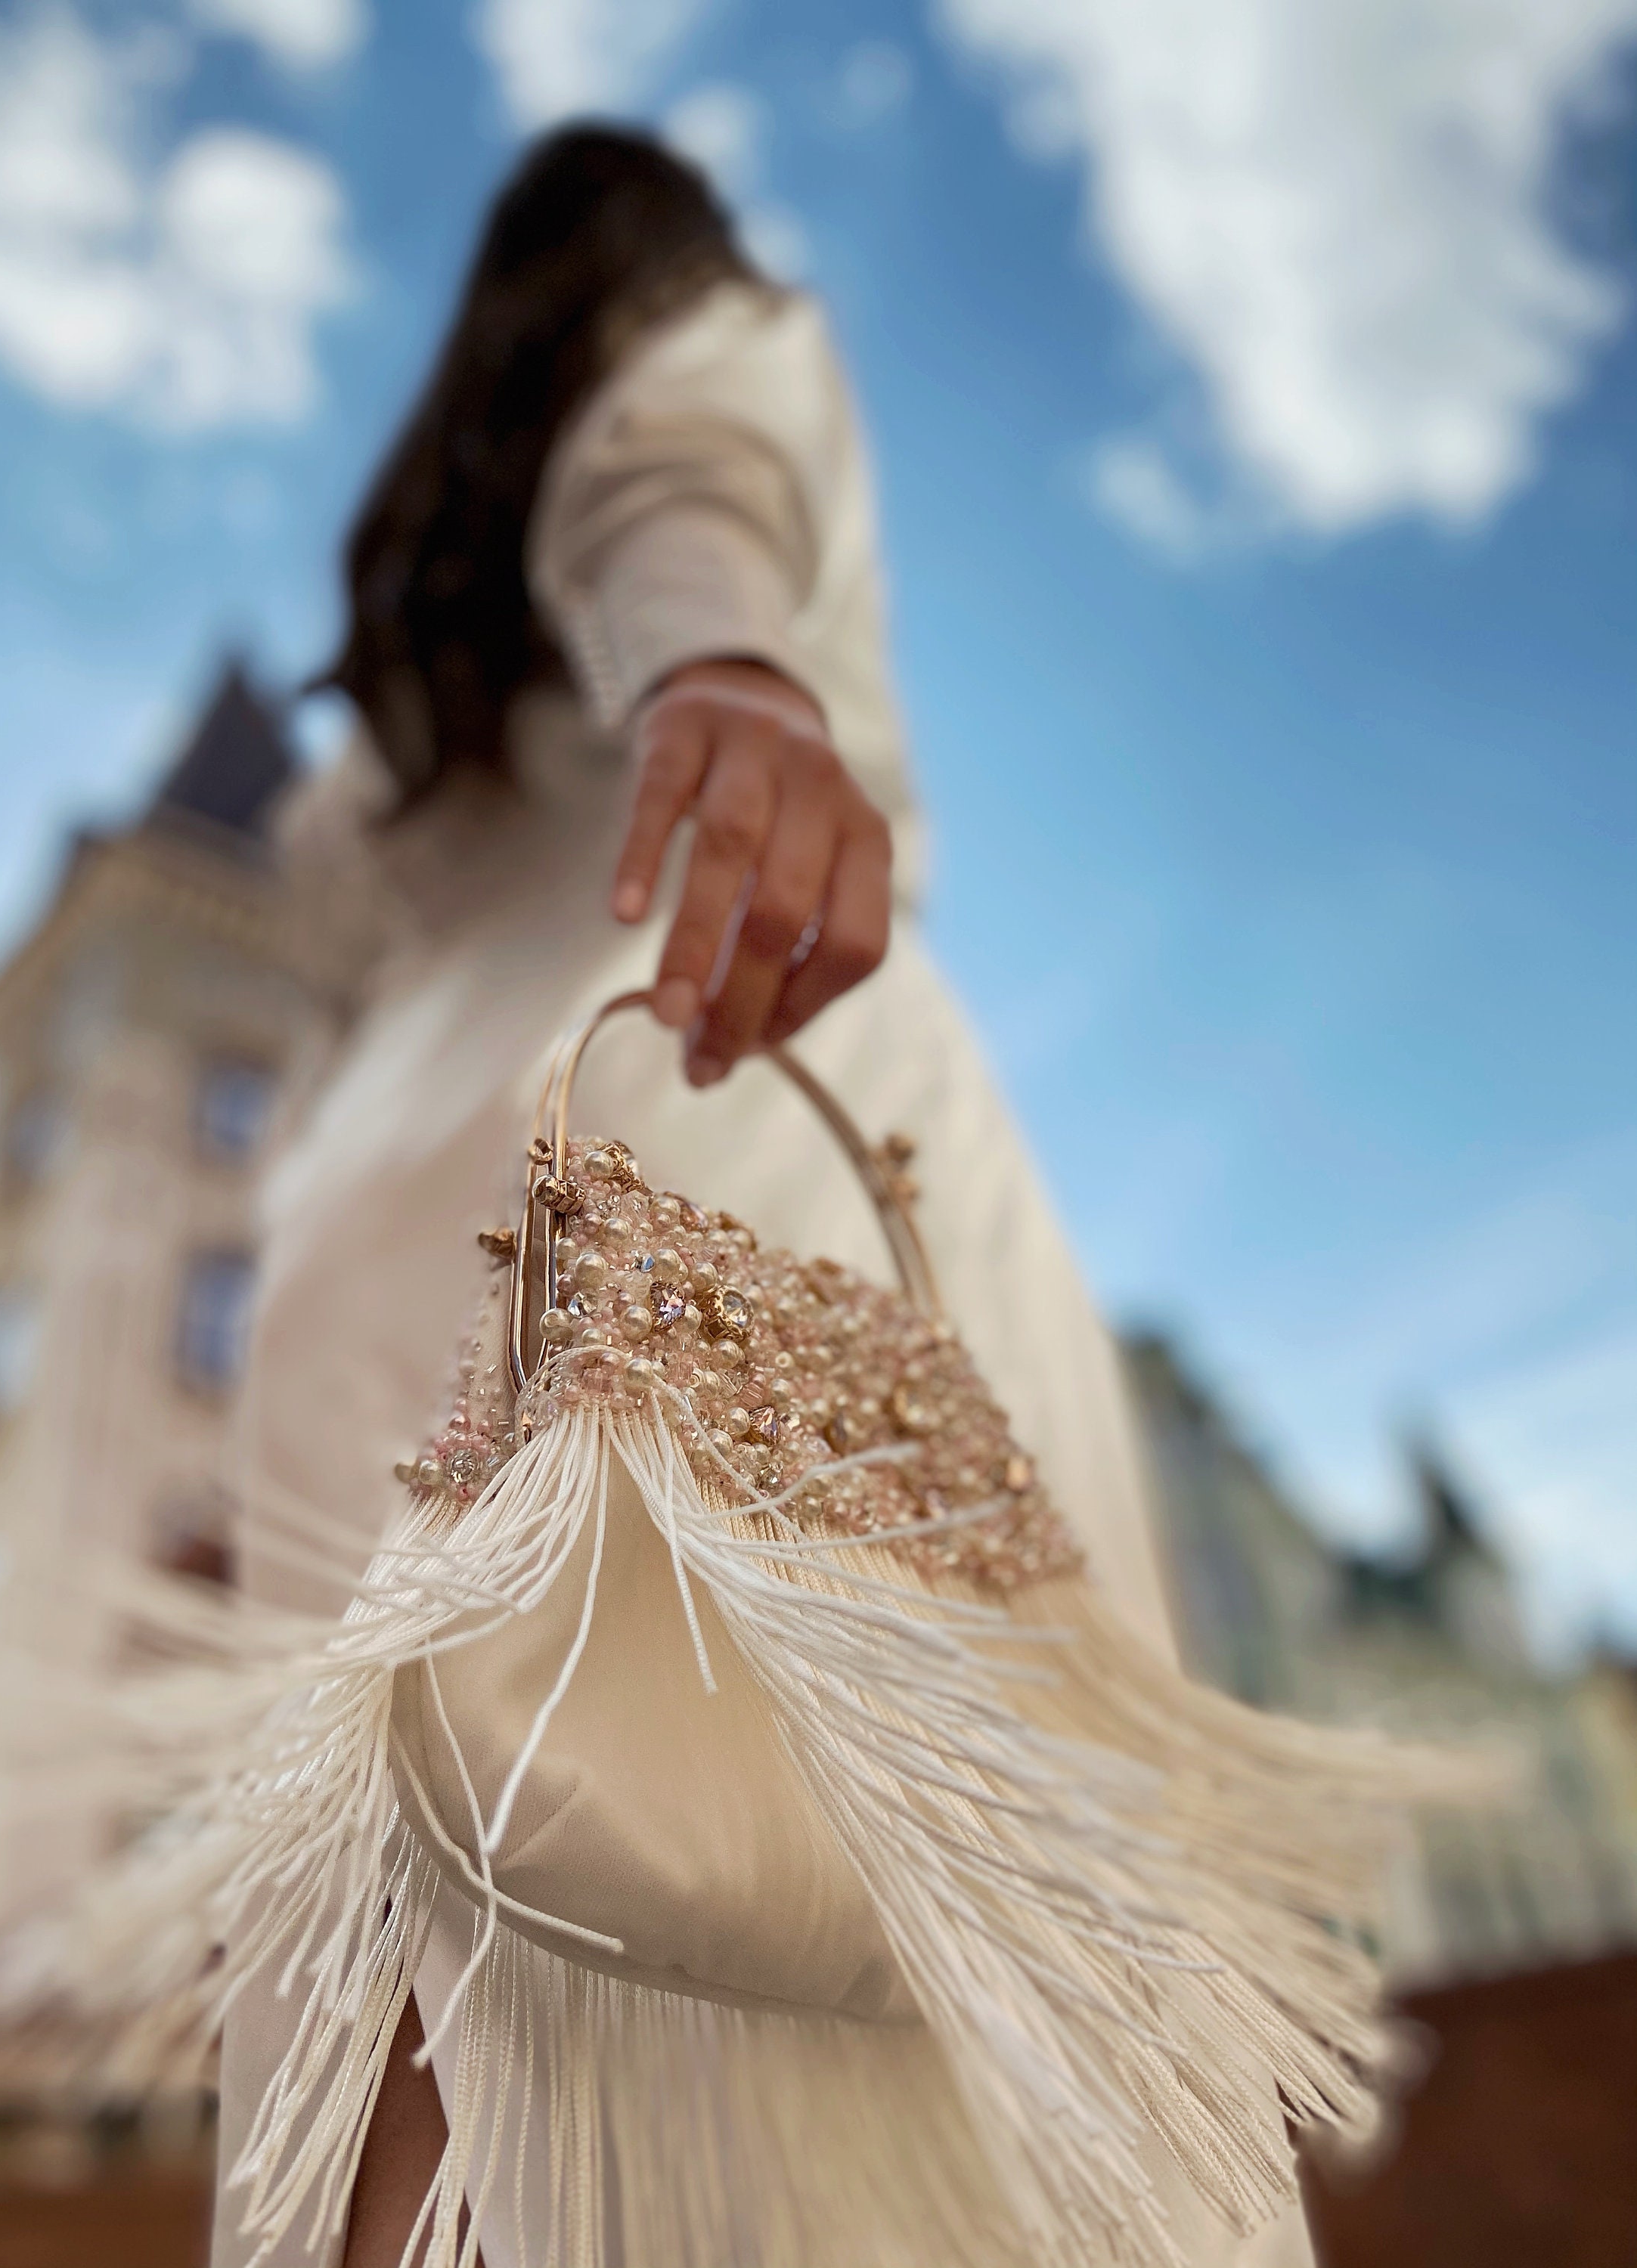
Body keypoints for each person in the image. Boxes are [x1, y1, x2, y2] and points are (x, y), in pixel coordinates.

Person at [215, 125, 1317, 2268]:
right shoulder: (719, 350)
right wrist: (726, 673)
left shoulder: (375, 748)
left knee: (394, 1997)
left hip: (372, 1234)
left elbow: (337, 976)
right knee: (856, 1918)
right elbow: (679, 483)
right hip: (728, 1078)